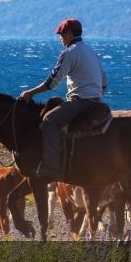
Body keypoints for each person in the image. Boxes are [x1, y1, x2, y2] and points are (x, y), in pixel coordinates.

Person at [18, 18, 109, 180]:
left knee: (49, 121)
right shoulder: (91, 52)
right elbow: (104, 83)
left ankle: (50, 168)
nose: (60, 38)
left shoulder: (69, 53)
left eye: (61, 34)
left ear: (69, 33)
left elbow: (52, 82)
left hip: (81, 102)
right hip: (97, 102)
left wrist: (30, 93)